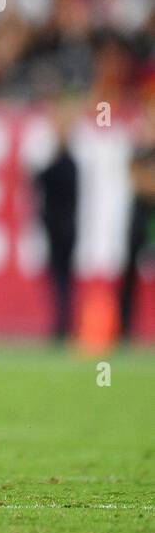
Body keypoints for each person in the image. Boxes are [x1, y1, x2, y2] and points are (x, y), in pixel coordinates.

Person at [33, 99, 79, 342]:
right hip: (57, 224)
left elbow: (43, 180)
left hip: (63, 225)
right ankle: (62, 323)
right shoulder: (59, 158)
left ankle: (64, 325)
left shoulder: (67, 161)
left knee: (62, 276)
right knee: (58, 276)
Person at [118, 75, 155, 342]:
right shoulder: (139, 146)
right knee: (130, 266)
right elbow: (136, 179)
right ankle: (124, 326)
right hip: (141, 212)